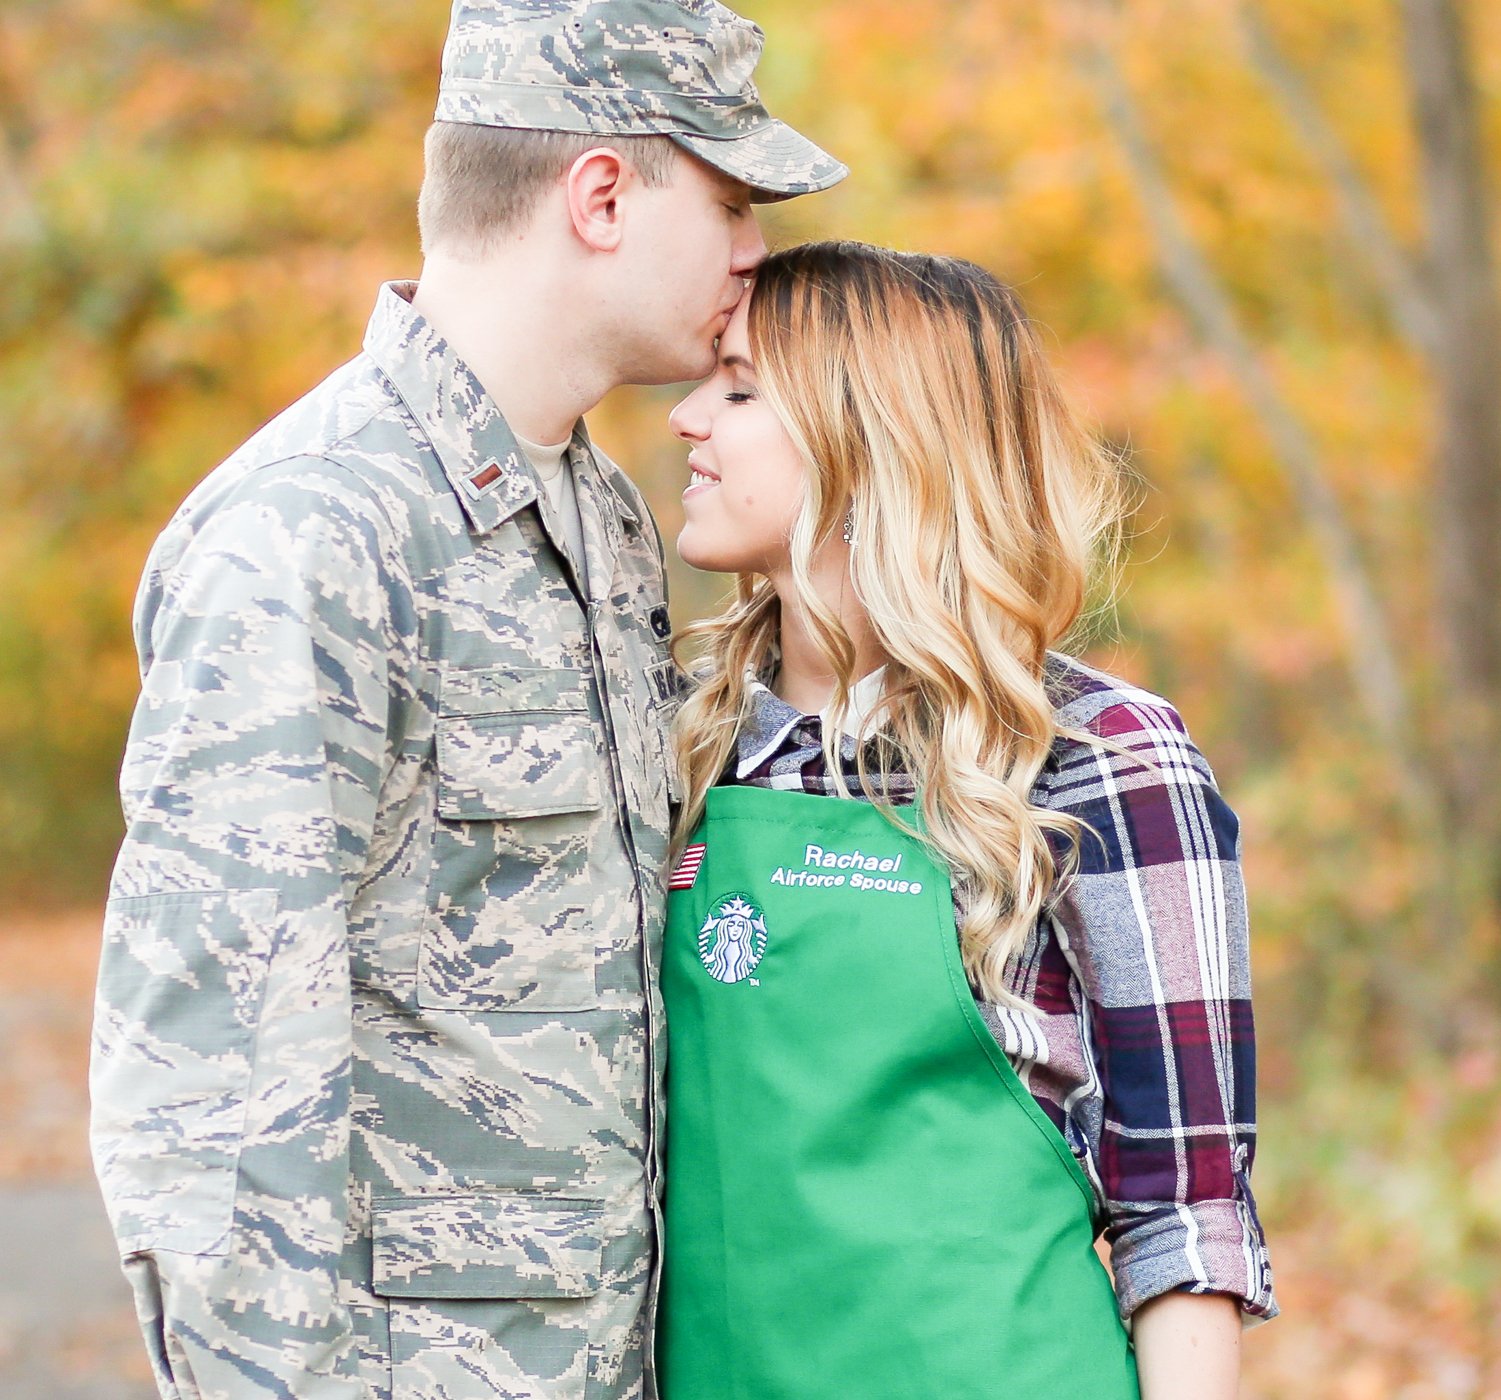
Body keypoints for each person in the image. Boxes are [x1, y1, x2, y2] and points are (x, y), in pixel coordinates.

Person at [89, 3, 843, 1397]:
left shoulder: (608, 521)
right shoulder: (311, 534)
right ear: (602, 197)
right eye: (733, 200)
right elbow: (214, 1102)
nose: (754, 249)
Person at [658, 241, 1276, 1400]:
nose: (687, 415)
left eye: (739, 390)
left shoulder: (1100, 759)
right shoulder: (679, 746)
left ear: (871, 442)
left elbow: (1185, 1209)